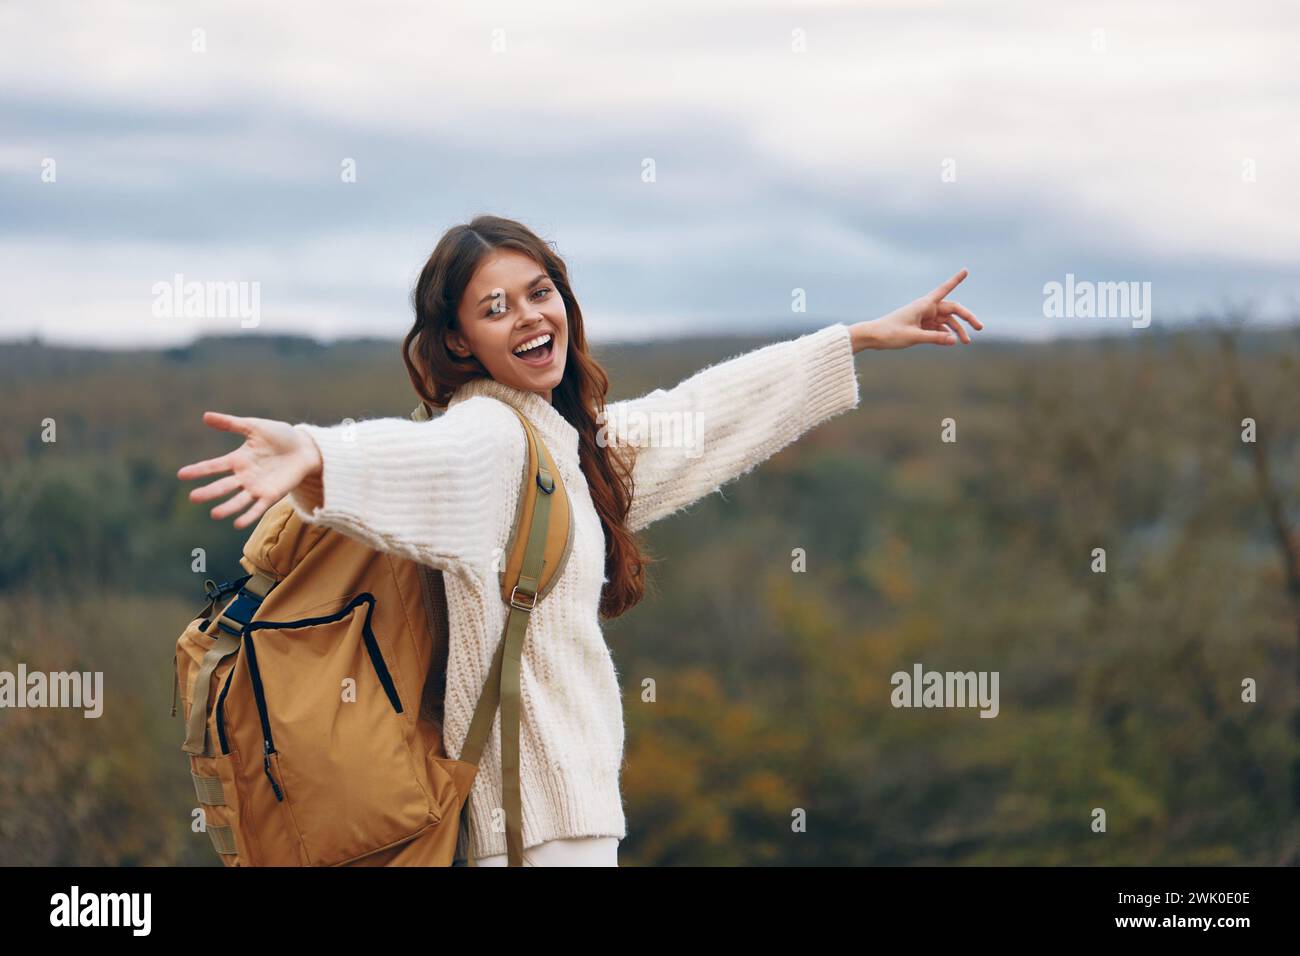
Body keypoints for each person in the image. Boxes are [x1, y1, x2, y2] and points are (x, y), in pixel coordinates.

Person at [177, 214, 982, 866]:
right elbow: (424, 460)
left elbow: (699, 416)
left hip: (556, 823)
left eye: (540, 291)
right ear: (458, 342)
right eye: (495, 309)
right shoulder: (492, 438)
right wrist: (319, 455)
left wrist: (859, 340)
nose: (528, 317)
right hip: (530, 828)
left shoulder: (562, 448)